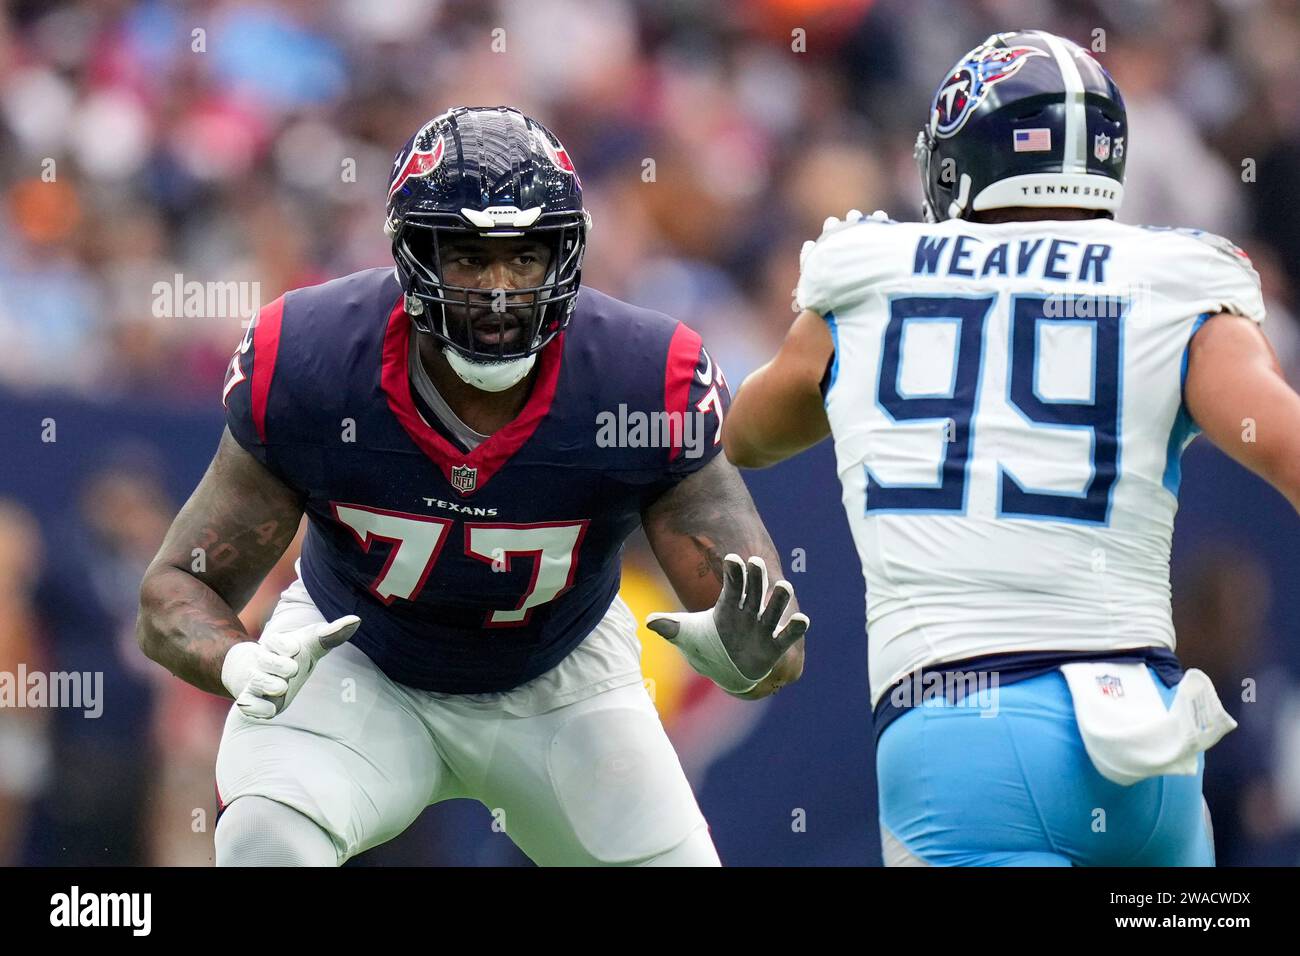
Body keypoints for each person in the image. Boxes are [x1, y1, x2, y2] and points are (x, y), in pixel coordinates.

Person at [136, 106, 808, 867]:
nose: (498, 292)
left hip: (562, 684)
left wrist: (742, 654)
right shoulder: (314, 360)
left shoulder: (641, 379)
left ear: (567, 253)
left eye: (525, 258)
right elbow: (174, 591)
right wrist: (238, 660)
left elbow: (772, 641)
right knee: (266, 839)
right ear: (411, 256)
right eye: (466, 257)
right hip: (357, 664)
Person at [723, 30, 1299, 866]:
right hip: (1145, 738)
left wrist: (839, 342)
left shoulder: (872, 275)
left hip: (961, 741)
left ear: (958, 158)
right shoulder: (1174, 280)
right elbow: (1285, 447)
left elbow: (747, 435)